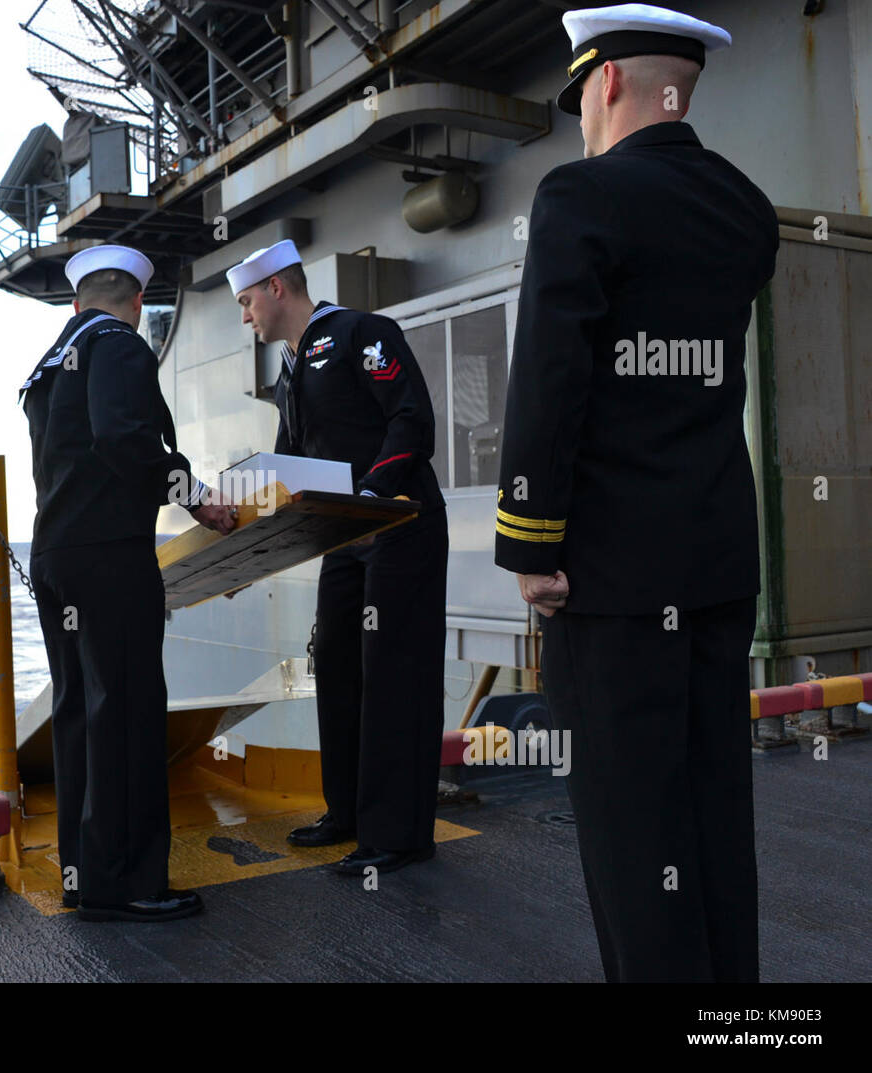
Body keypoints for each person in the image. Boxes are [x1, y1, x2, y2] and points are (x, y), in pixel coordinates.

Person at [494, 4, 779, 982]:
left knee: (632, 840)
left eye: (577, 94)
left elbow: (548, 376)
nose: (577, 114)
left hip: (608, 582)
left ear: (606, 81)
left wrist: (530, 542)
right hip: (714, 565)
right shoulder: (746, 206)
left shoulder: (580, 196)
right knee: (710, 821)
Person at [20, 244, 235, 921]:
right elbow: (125, 439)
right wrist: (195, 494)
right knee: (130, 712)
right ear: (137, 303)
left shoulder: (48, 364)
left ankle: (88, 875)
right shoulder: (119, 344)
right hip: (110, 556)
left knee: (81, 712)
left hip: (56, 553)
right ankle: (133, 883)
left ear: (76, 299)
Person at [227, 241, 448, 876]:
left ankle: (398, 835)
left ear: (276, 289)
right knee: (342, 669)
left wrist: (374, 495)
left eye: (246, 302)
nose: (246, 319)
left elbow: (411, 421)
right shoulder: (290, 371)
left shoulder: (361, 333)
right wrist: (246, 557)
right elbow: (284, 472)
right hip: (344, 539)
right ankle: (348, 811)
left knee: (394, 678)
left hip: (399, 526)